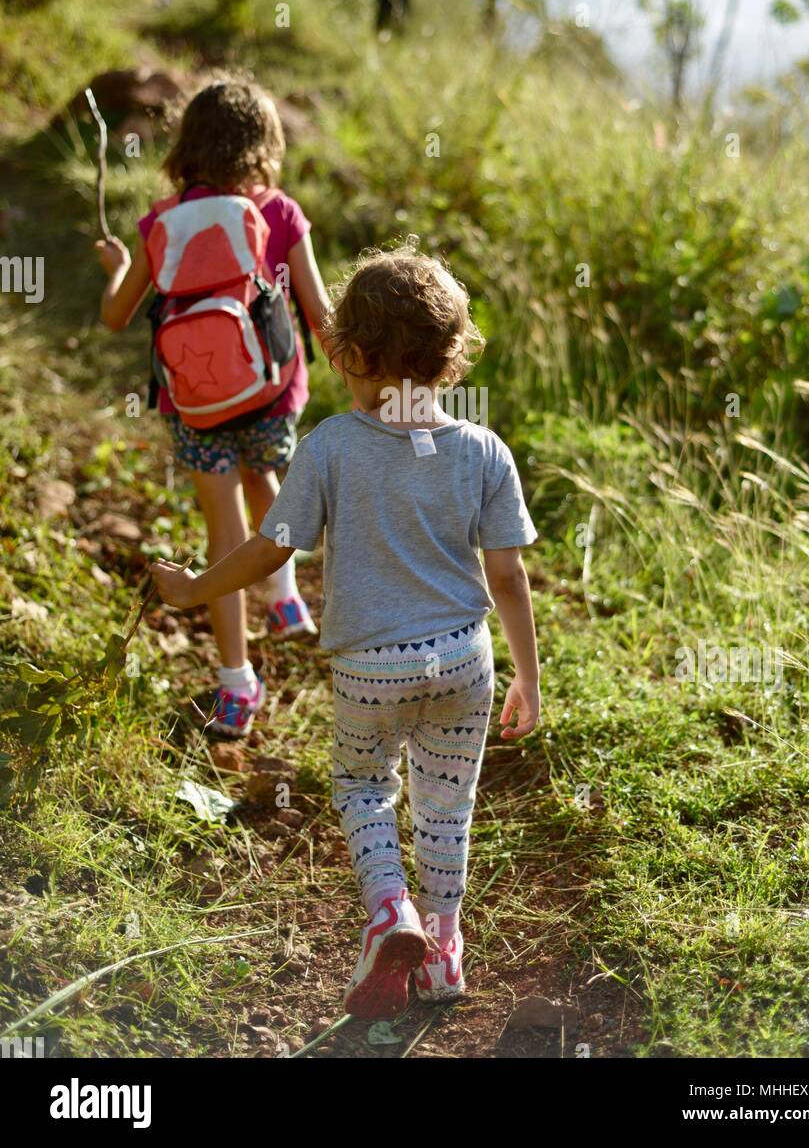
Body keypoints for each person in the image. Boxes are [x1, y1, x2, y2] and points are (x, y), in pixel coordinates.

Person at [150, 243, 541, 1019]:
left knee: (364, 788)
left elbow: (271, 548)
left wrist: (196, 588)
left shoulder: (329, 446)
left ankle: (388, 911)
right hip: (464, 661)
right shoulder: (484, 451)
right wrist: (528, 677)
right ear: (449, 356)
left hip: (370, 668)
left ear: (351, 353)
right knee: (445, 806)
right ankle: (445, 951)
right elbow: (506, 579)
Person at [96, 77, 331, 738]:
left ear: (186, 142)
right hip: (272, 390)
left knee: (221, 537)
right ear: (265, 144)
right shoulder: (279, 212)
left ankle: (236, 683)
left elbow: (116, 316)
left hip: (194, 402)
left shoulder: (161, 220)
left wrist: (117, 265)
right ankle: (282, 593)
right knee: (267, 482)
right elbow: (322, 315)